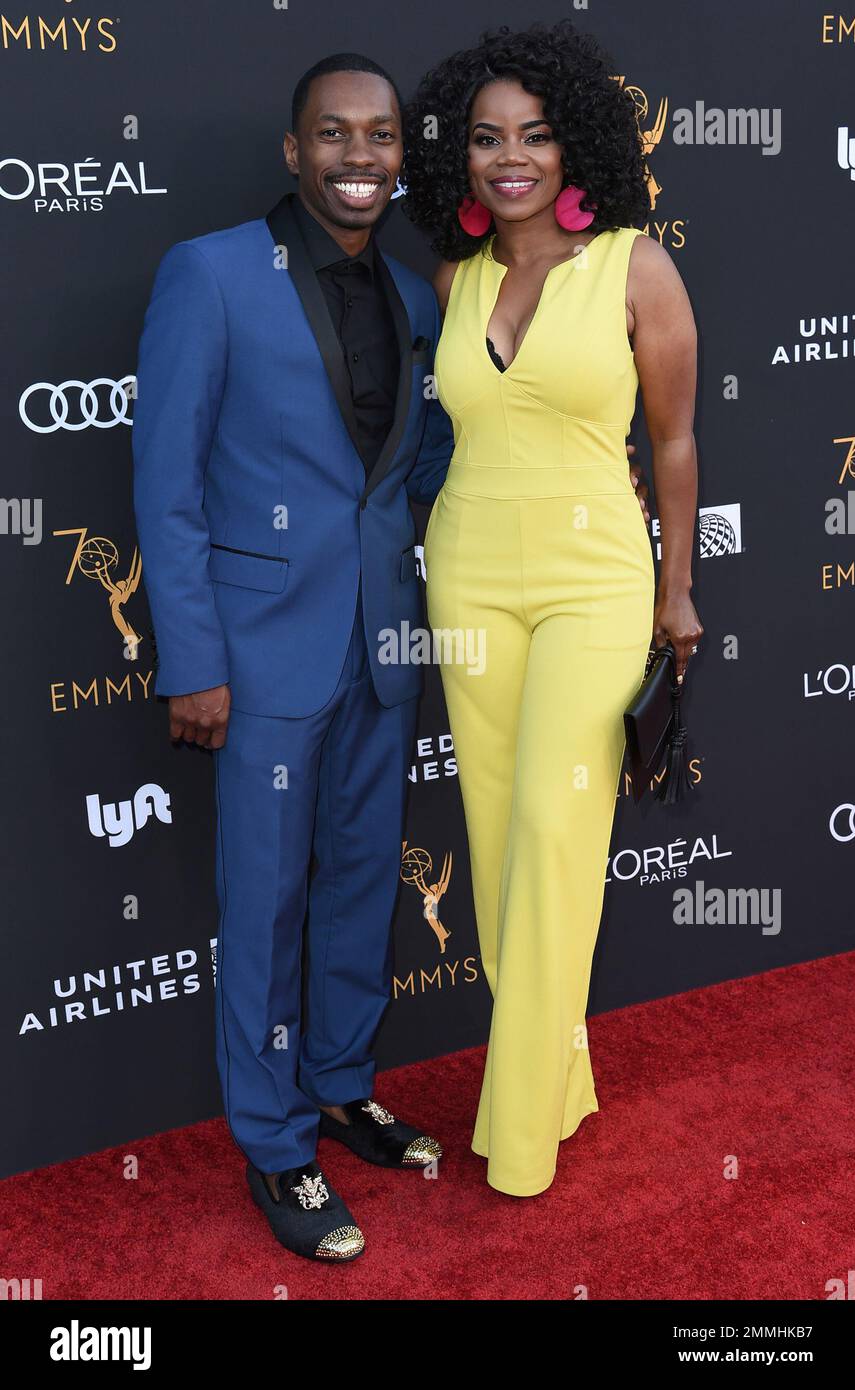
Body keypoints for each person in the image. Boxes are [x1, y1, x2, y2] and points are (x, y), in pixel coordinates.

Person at [131, 54, 459, 1263]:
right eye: (334, 134)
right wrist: (192, 660)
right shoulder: (211, 275)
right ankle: (275, 1145)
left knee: (363, 882)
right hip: (258, 657)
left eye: (378, 137)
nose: (359, 157)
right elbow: (164, 486)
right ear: (294, 150)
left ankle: (338, 1084)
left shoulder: (421, 298)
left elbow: (415, 472)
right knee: (265, 908)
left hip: (382, 641)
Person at [403, 21, 704, 1197]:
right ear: (460, 158)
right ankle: (559, 1073)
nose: (509, 157)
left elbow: (673, 438)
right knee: (491, 849)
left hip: (592, 582)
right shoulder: (451, 277)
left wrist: (676, 589)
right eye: (485, 138)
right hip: (467, 575)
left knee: (552, 828)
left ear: (575, 141)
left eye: (532, 134)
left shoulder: (635, 265)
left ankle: (517, 1134)